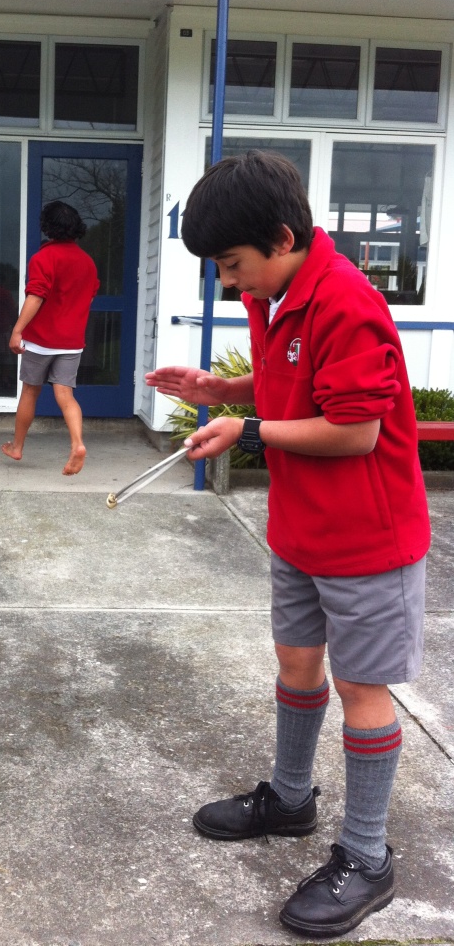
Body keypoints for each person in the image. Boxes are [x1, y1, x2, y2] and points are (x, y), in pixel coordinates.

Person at [146, 151, 430, 937]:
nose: (230, 285)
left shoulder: (346, 303)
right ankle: (290, 797)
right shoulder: (278, 297)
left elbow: (352, 430)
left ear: (279, 238)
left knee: (361, 691)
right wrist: (219, 390)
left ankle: (367, 857)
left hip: (368, 538)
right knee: (296, 665)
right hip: (300, 529)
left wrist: (248, 430)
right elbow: (289, 383)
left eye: (233, 267)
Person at [1, 201, 99, 475]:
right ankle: (77, 443)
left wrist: (17, 329)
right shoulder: (88, 263)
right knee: (66, 396)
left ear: (47, 226)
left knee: (30, 391)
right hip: (71, 342)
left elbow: (36, 295)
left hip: (40, 341)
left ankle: (17, 447)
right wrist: (78, 334)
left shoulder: (43, 258)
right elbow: (87, 299)